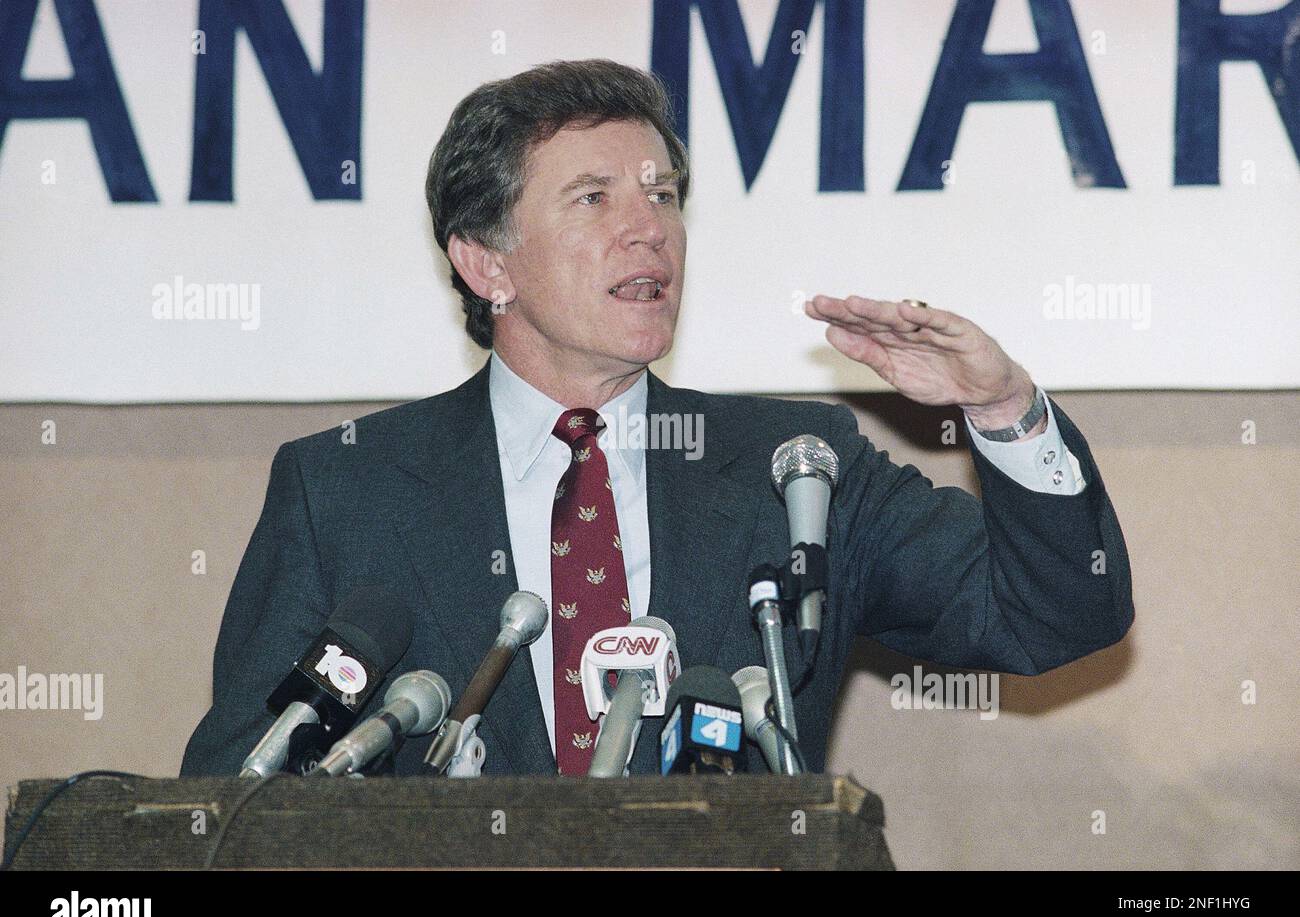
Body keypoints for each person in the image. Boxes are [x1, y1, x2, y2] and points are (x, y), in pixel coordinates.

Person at [181, 59, 1132, 778]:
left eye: (664, 195)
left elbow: (1052, 616)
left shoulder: (795, 469)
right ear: (486, 264)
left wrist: (1001, 407)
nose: (651, 228)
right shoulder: (344, 486)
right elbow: (240, 790)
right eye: (595, 198)